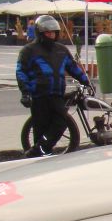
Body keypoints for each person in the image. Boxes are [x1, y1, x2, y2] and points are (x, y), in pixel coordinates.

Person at [16, 14, 93, 157]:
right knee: (41, 126)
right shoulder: (28, 50)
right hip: (38, 96)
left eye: (53, 32)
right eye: (48, 32)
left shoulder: (61, 50)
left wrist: (86, 81)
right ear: (40, 32)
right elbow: (21, 72)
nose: (51, 35)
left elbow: (73, 67)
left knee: (61, 122)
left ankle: (38, 150)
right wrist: (25, 92)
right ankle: (41, 155)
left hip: (57, 94)